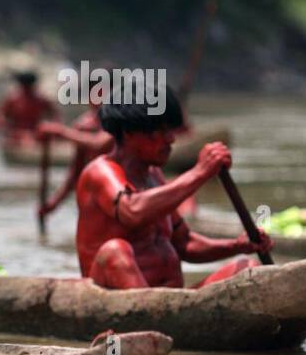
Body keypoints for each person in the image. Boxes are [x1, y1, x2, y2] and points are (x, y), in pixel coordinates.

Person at [75, 89, 272, 289]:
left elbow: (184, 243)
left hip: (172, 302)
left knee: (247, 268)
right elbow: (132, 211)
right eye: (160, 131)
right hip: (121, 306)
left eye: (170, 130)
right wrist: (199, 172)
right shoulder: (100, 172)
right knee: (114, 251)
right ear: (129, 132)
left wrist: (238, 246)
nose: (170, 139)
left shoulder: (154, 176)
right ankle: (154, 315)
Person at [37, 76, 113, 220]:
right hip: (95, 195)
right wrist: (53, 204)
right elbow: (76, 172)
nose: (98, 97)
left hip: (122, 190)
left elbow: (99, 143)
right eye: (94, 92)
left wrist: (60, 131)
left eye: (103, 92)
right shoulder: (83, 125)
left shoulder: (122, 119)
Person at [0, 71, 58, 145]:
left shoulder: (41, 99)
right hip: (16, 133)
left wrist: (52, 126)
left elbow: (55, 114)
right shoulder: (13, 99)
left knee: (51, 130)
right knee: (25, 137)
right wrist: (3, 127)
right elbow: (0, 115)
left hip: (36, 132)